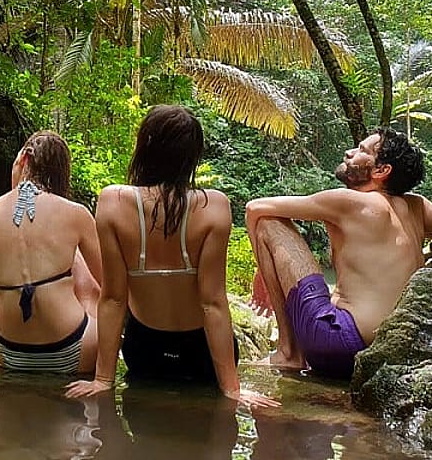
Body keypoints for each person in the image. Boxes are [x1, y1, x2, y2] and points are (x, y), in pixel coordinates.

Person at [66, 105, 277, 409]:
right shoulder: (214, 207)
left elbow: (113, 299)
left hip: (145, 351)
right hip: (201, 353)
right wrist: (232, 389)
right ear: (192, 156)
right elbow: (212, 302)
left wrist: (103, 380)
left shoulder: (113, 202)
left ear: (144, 148)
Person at [245, 126, 432, 378]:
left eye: (361, 150)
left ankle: (288, 353)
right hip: (388, 348)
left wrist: (265, 275)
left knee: (269, 223)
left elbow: (255, 208)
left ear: (381, 170)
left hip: (338, 343)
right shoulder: (416, 207)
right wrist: (425, 233)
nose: (349, 152)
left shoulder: (348, 201)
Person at [0, 131, 103, 375]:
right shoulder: (76, 213)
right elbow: (110, 286)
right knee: (93, 296)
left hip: (12, 352)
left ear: (23, 159)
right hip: (73, 348)